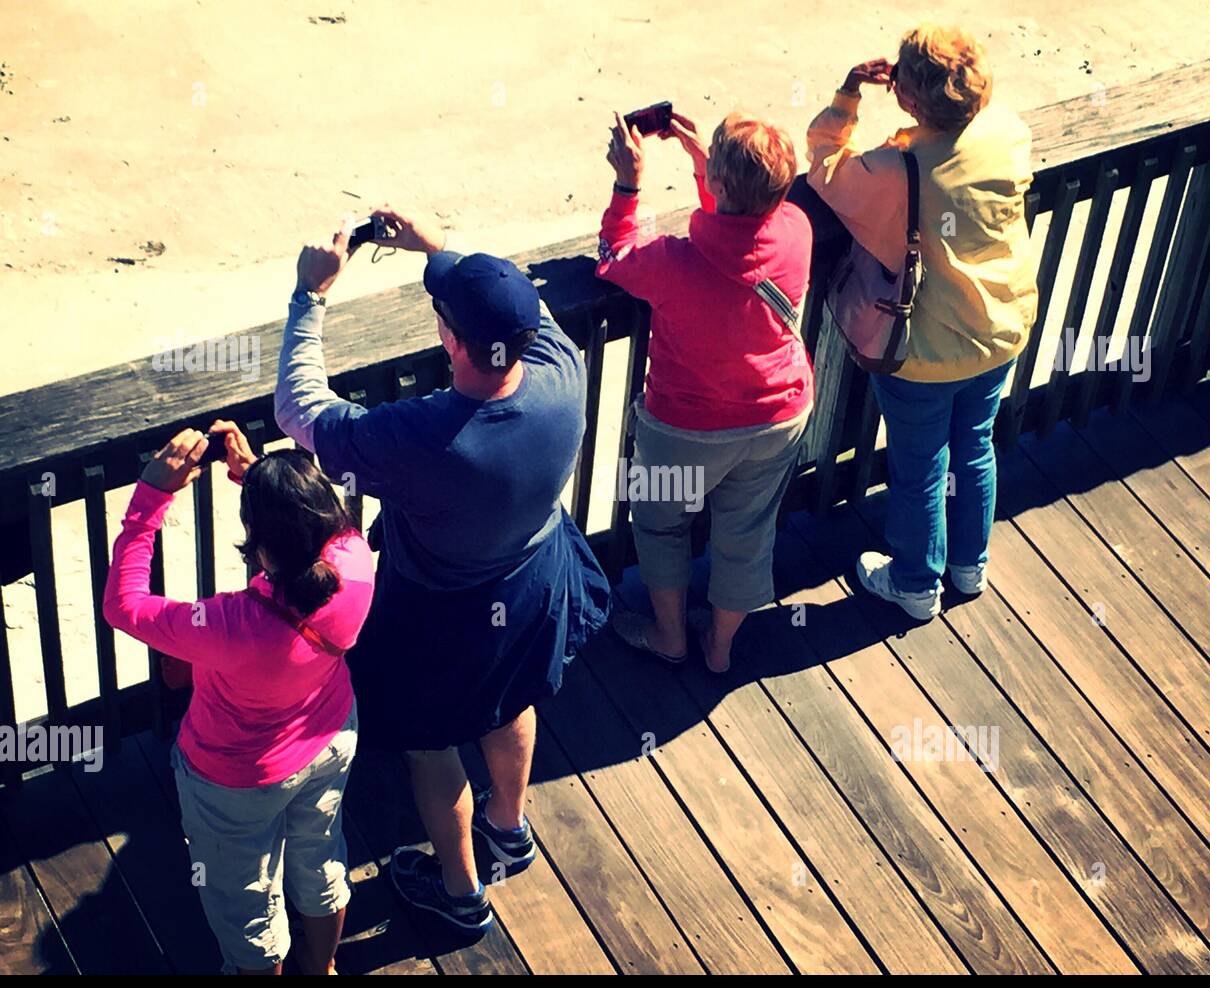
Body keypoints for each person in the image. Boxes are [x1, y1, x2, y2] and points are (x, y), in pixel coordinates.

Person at [274, 208, 609, 935]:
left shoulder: (422, 437)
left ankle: (460, 897)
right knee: (513, 697)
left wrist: (311, 296)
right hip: (534, 580)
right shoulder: (560, 366)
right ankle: (508, 828)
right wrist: (433, 248)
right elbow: (520, 309)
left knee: (431, 746)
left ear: (449, 340)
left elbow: (301, 412)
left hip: (441, 611)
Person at [103, 423, 375, 975]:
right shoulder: (356, 559)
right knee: (320, 860)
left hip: (236, 779)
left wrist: (149, 500)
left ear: (260, 545)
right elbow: (308, 537)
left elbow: (124, 605)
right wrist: (260, 478)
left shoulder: (229, 625)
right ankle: (320, 970)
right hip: (329, 739)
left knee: (245, 901)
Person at [807, 25, 1039, 620]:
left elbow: (825, 165)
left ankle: (915, 585)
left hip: (925, 354)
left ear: (908, 96)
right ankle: (970, 565)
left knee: (920, 471)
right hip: (999, 332)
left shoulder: (895, 169)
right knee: (976, 448)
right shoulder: (1007, 134)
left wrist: (848, 95)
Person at [598, 110, 813, 673]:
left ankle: (670, 636)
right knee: (745, 531)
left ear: (720, 185)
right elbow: (742, 238)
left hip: (687, 428)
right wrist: (706, 167)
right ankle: (720, 647)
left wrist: (628, 183)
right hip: (780, 414)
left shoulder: (674, 262)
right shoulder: (797, 230)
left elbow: (614, 256)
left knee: (661, 523)